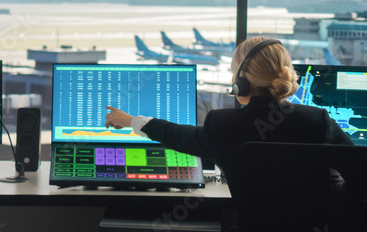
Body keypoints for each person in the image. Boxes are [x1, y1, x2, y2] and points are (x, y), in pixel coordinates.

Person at [104, 36, 353, 192]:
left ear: (240, 84)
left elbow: (177, 135)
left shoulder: (221, 125)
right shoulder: (318, 121)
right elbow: (359, 172)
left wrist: (130, 121)